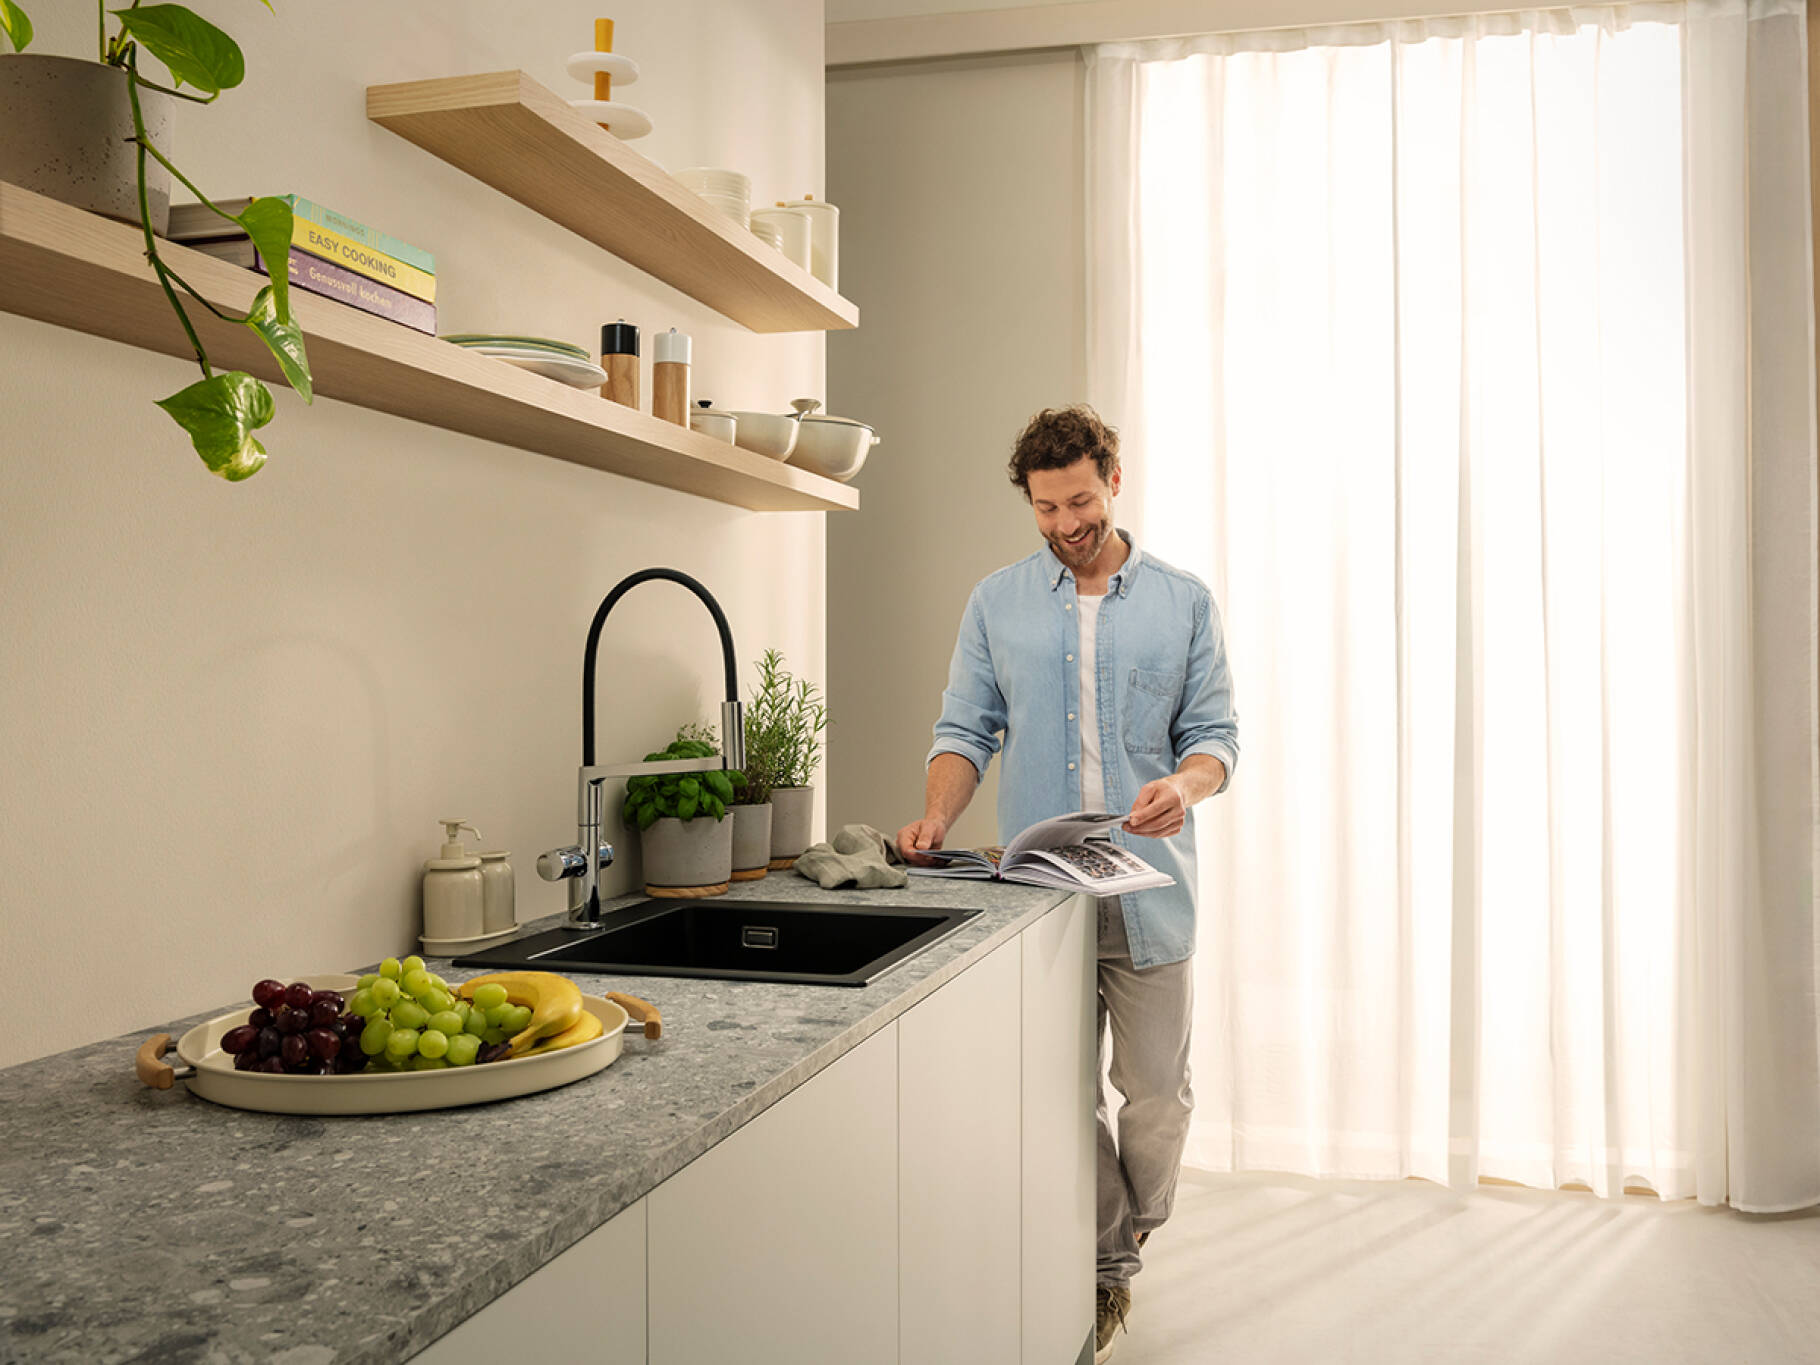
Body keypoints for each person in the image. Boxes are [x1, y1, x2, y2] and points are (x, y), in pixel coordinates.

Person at [895, 405, 1238, 1364]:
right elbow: (965, 729)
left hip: (1149, 887)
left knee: (1156, 1093)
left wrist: (1183, 783)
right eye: (1045, 509)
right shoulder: (996, 602)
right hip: (1037, 895)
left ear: (1114, 478)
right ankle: (1107, 1267)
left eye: (1079, 500)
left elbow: (1217, 737)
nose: (1064, 524)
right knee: (1057, 1096)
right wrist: (938, 818)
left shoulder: (1184, 602)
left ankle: (1125, 1229)